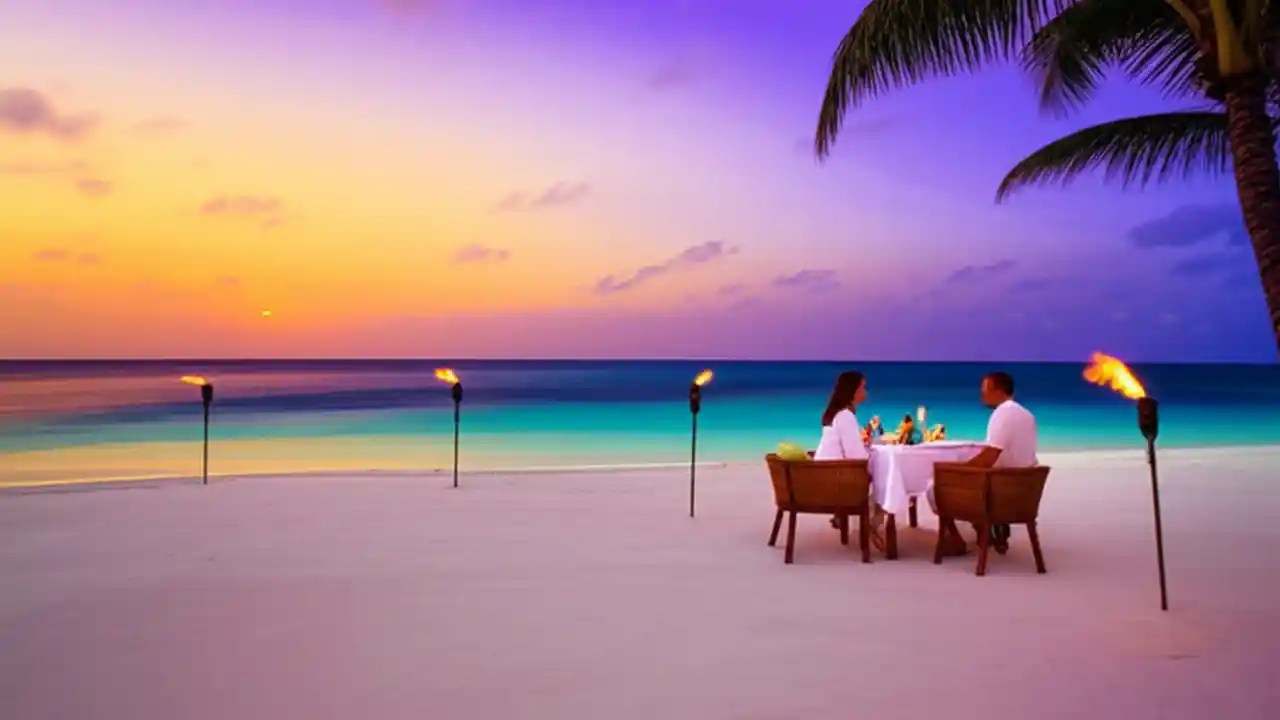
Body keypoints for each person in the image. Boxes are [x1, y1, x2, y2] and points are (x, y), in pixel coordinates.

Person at [933, 371, 1039, 555]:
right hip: (1023, 491)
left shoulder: (1002, 414)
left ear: (998, 391)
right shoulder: (1027, 415)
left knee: (936, 487)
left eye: (985, 390)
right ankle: (987, 533)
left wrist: (955, 470)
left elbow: (989, 457)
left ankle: (958, 540)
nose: (981, 394)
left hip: (999, 494)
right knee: (964, 479)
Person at [813, 371, 885, 548]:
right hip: (834, 481)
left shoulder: (835, 414)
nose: (865, 391)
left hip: (821, 476)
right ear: (853, 391)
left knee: (876, 475)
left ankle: (857, 520)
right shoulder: (845, 416)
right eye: (863, 387)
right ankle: (872, 525)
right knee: (884, 479)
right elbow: (857, 457)